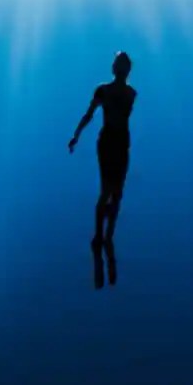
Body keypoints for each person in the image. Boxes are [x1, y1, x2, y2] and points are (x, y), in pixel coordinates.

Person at [69, 52, 137, 257]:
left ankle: (108, 235)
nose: (122, 69)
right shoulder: (104, 90)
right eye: (119, 65)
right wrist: (76, 135)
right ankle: (99, 236)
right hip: (108, 142)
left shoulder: (131, 93)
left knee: (117, 194)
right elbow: (89, 114)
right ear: (115, 68)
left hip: (122, 143)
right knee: (107, 190)